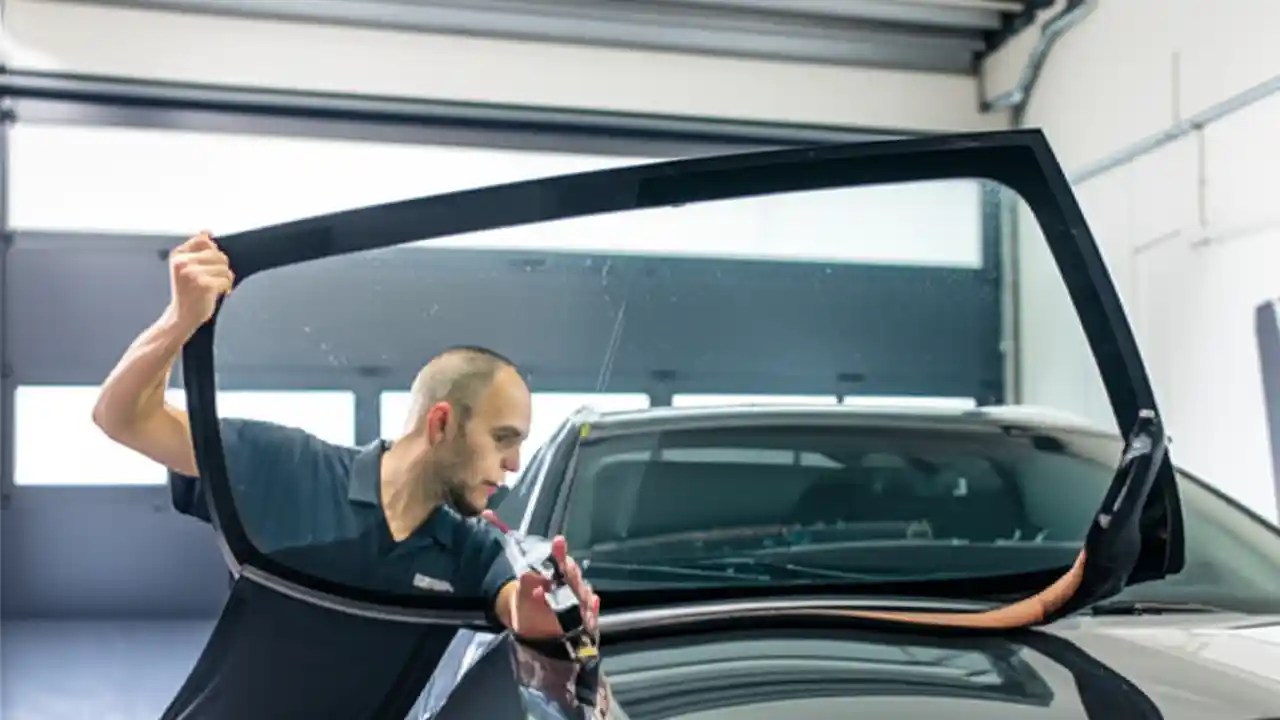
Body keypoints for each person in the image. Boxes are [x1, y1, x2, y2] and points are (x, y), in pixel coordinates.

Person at [92, 231, 598, 642]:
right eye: (503, 438)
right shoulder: (286, 465)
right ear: (441, 423)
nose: (514, 464)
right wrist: (181, 321)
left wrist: (547, 621)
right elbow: (123, 418)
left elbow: (515, 603)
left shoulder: (473, 552)